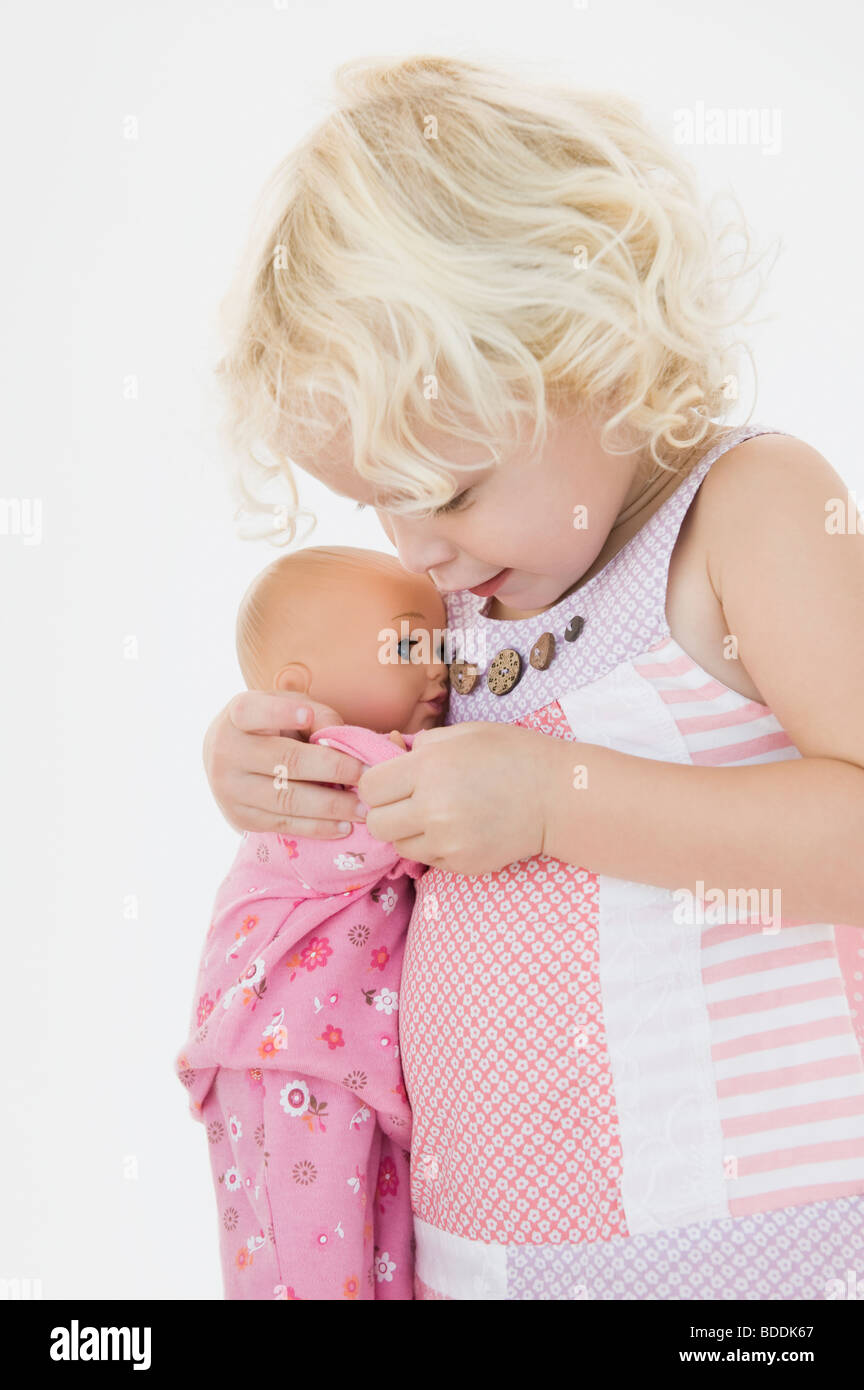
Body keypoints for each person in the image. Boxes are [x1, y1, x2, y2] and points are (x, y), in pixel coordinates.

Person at [199, 54, 864, 1298]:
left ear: (599, 346)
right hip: (491, 1269)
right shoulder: (453, 608)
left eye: (448, 492)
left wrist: (558, 797)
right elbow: (359, 754)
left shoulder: (748, 516)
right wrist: (264, 759)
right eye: (378, 503)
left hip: (764, 1265)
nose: (418, 548)